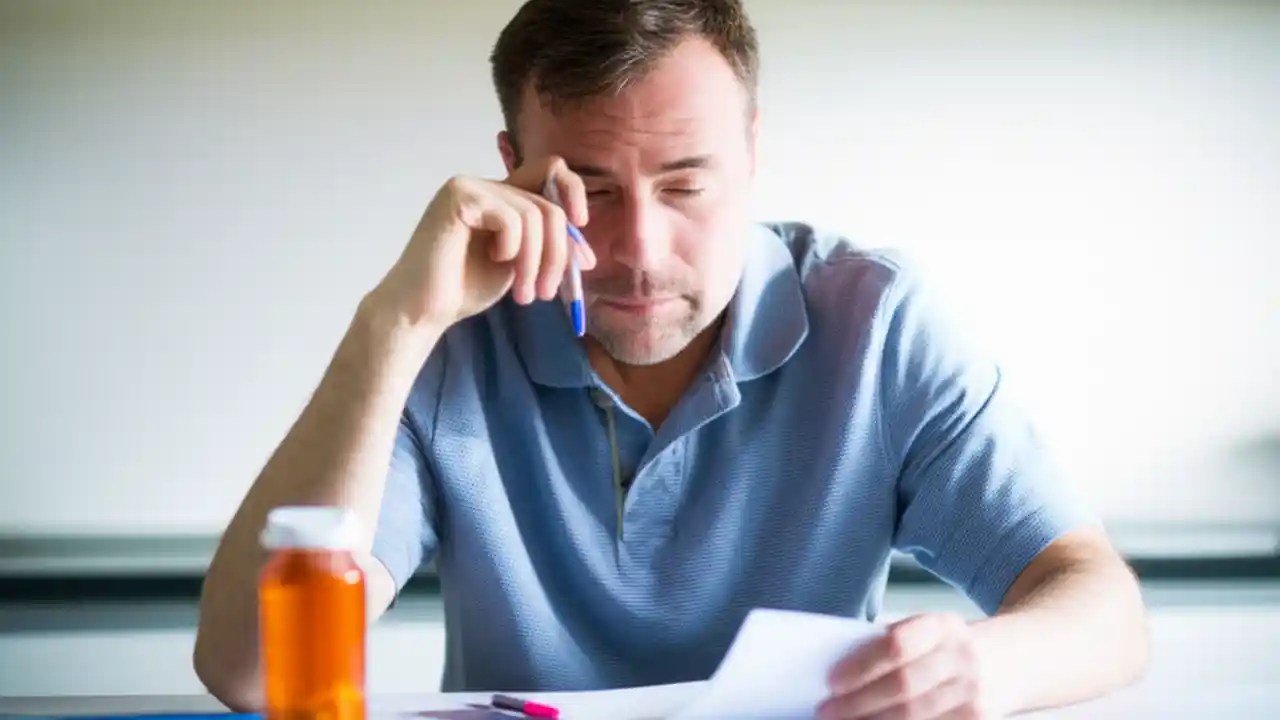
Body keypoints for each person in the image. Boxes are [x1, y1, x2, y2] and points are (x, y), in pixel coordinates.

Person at [194, 1, 1149, 717]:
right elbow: (248, 673)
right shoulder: (449, 340)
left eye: (686, 184)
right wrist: (396, 322)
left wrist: (979, 667)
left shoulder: (879, 323)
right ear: (512, 169)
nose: (639, 250)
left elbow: (1104, 611)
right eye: (591, 191)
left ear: (752, 148)